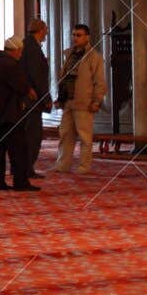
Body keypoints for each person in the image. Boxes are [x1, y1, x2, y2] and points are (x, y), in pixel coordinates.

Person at [0, 35, 39, 191]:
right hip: (10, 116)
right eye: (20, 51)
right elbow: (22, 86)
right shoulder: (11, 65)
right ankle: (21, 182)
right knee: (18, 151)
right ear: (16, 50)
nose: (21, 54)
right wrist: (30, 90)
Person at [53, 23, 106, 174]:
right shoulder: (69, 54)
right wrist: (60, 97)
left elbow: (99, 82)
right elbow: (64, 78)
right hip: (68, 102)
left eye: (79, 35)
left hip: (84, 102)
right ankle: (62, 165)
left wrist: (97, 101)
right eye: (74, 35)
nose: (75, 38)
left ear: (87, 37)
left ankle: (84, 167)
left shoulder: (94, 57)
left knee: (84, 137)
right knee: (65, 135)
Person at [21, 19, 52, 177]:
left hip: (26, 98)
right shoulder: (33, 48)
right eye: (46, 29)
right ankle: (27, 169)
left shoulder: (26, 45)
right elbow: (37, 76)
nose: (47, 32)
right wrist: (46, 98)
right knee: (33, 136)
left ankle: (22, 167)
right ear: (41, 30)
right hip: (32, 100)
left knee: (27, 135)